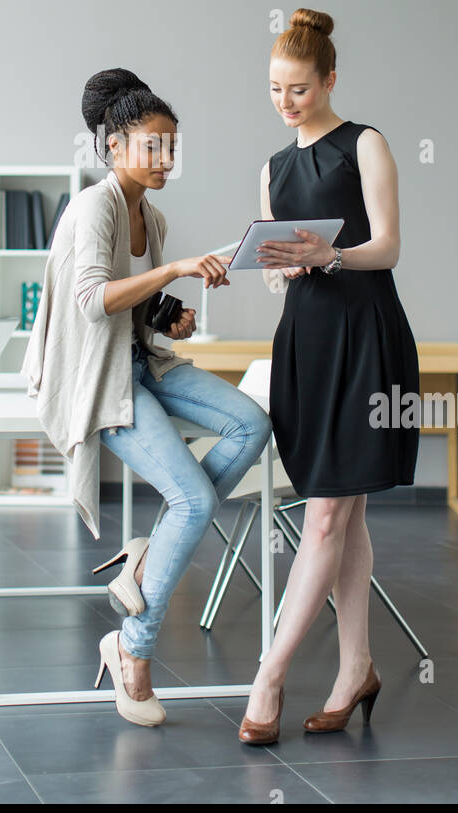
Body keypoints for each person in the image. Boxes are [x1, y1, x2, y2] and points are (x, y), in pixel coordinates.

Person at [22, 69, 273, 726]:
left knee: (250, 423)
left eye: (171, 147)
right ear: (113, 148)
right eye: (151, 146)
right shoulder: (94, 206)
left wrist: (167, 316)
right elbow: (90, 299)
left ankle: (153, 551)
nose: (164, 159)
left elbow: (131, 305)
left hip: (140, 362)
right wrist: (173, 273)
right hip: (99, 378)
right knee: (192, 499)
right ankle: (132, 649)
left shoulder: (149, 215)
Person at [238, 8, 420, 744]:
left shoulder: (365, 144)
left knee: (322, 516)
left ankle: (269, 676)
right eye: (276, 89)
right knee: (346, 515)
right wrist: (268, 266)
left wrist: (329, 256)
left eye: (300, 90)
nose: (286, 103)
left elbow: (388, 248)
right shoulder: (273, 169)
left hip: (367, 336)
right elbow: (282, 270)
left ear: (330, 80)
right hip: (306, 342)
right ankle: (357, 669)